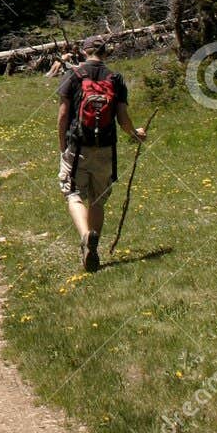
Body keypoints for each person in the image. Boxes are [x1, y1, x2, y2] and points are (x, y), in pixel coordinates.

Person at [57, 53, 145, 271]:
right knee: (97, 200)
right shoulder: (115, 78)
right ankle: (93, 250)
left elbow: (63, 114)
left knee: (73, 194)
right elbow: (122, 117)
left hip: (78, 146)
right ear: (105, 53)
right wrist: (135, 134)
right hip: (106, 148)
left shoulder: (73, 75)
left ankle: (86, 236)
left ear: (85, 52)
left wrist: (62, 146)